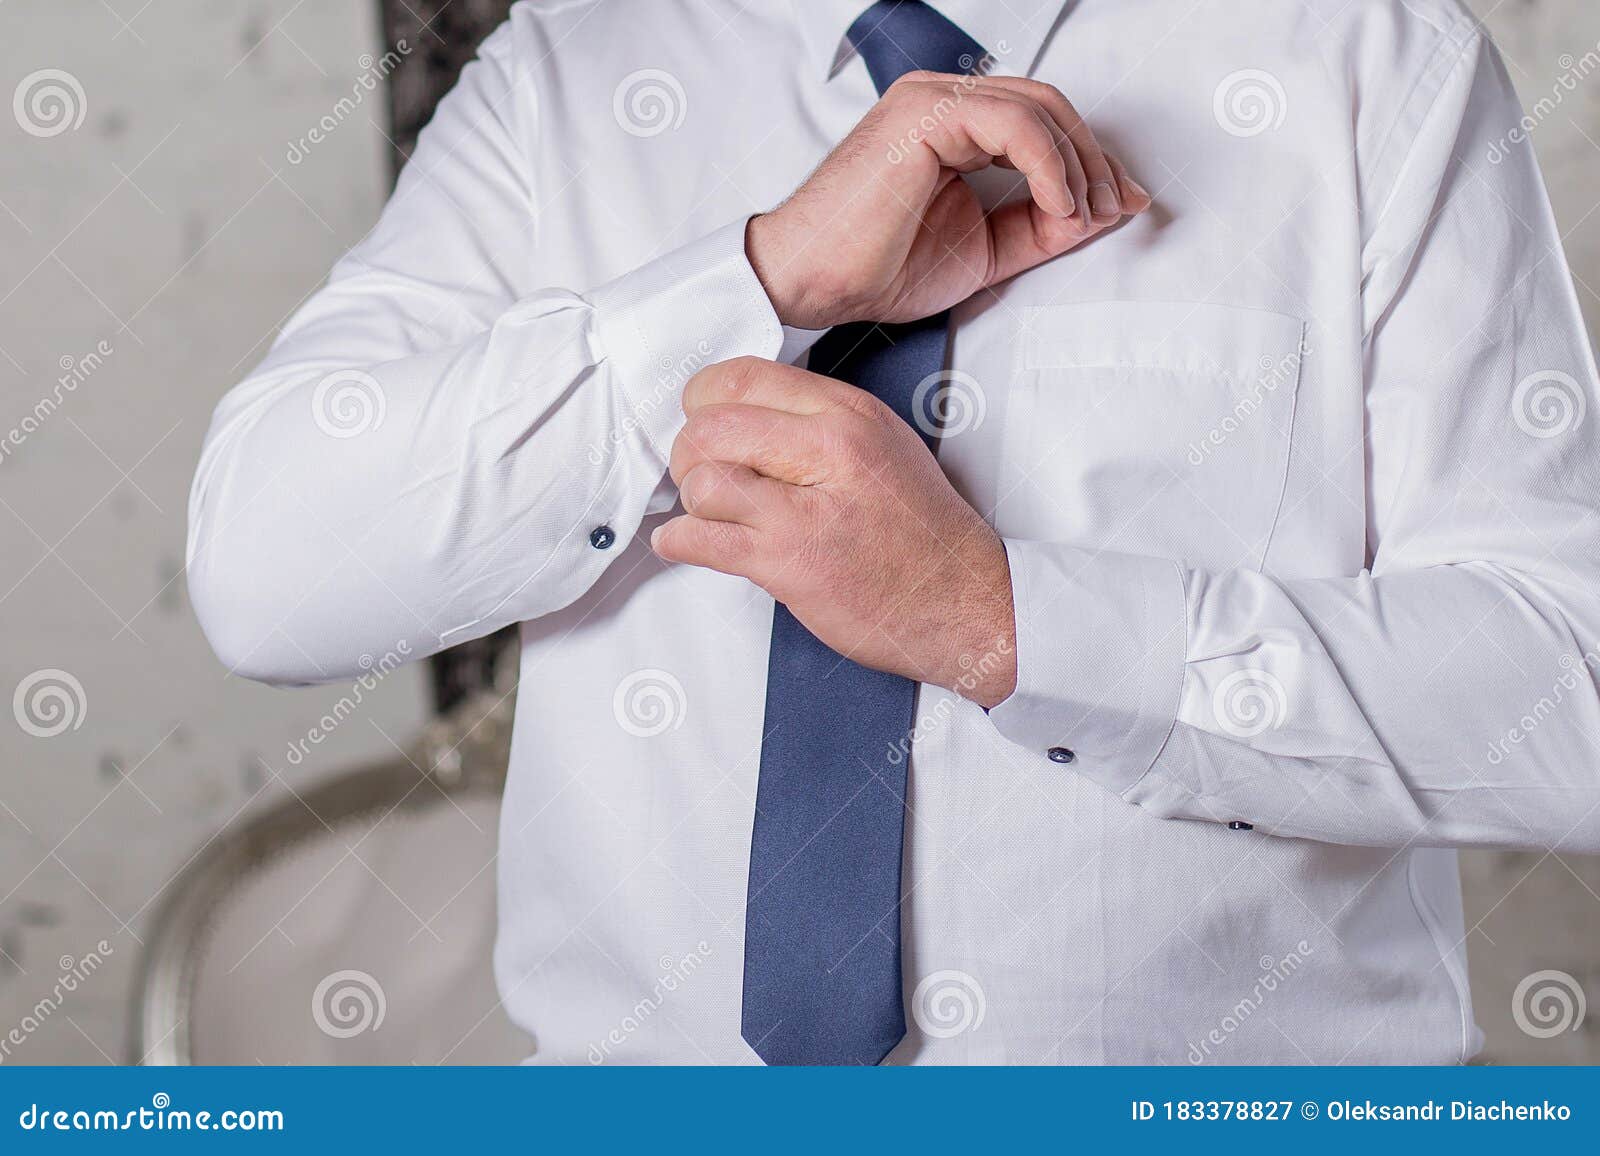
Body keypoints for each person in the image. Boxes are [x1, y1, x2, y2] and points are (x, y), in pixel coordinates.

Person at [187, 0, 1600, 1064]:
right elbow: (269, 577)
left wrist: (1004, 621)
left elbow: (1569, 697)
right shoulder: (573, 70)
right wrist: (762, 278)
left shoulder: (1368, 59)